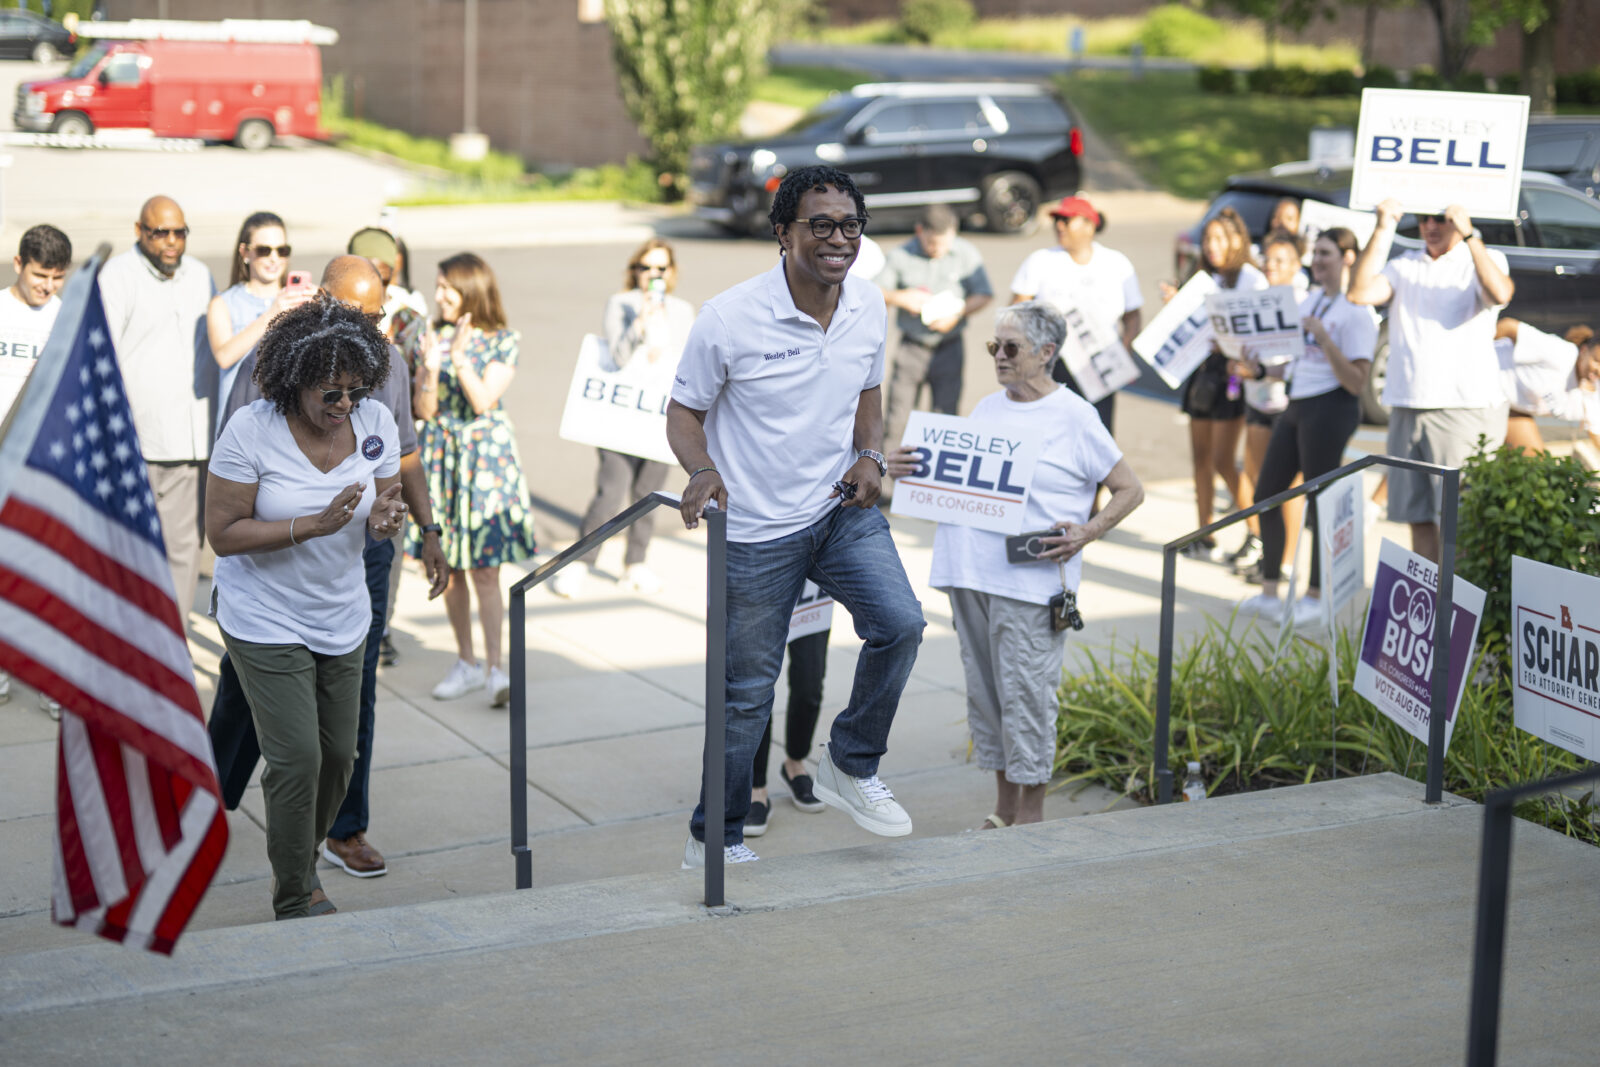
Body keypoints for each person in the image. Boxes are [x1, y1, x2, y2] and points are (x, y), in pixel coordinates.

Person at [667, 164, 926, 867]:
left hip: (837, 510)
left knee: (901, 624)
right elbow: (683, 411)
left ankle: (849, 761)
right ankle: (712, 836)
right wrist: (703, 469)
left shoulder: (868, 304)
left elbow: (868, 388)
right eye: (820, 224)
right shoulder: (728, 317)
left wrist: (869, 453)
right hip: (756, 532)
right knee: (747, 697)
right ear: (783, 233)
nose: (838, 238)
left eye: (850, 225)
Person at [209, 256, 449, 879]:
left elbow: (401, 461)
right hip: (263, 593)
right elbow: (225, 521)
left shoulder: (380, 368)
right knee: (262, 716)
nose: (370, 328)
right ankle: (223, 815)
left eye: (377, 316)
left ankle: (338, 830)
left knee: (343, 725)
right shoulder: (272, 375)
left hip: (351, 572)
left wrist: (417, 527)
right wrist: (307, 524)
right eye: (357, 315)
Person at [889, 301, 1143, 829]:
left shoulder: (1075, 415)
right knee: (988, 697)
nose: (999, 357)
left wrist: (1088, 531)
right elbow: (956, 484)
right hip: (971, 574)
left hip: (1030, 582)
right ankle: (1005, 808)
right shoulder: (987, 409)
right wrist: (905, 469)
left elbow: (1129, 489)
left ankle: (1031, 815)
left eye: (1010, 348)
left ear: (1046, 354)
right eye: (993, 347)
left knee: (1026, 696)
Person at [1347, 200, 1514, 562]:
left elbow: (1500, 293)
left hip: (1461, 408)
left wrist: (1469, 234)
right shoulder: (1404, 265)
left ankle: (1461, 615)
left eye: (1440, 218)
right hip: (1407, 405)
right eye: (1423, 217)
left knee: (1461, 523)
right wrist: (1383, 226)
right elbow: (1358, 292)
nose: (1430, 225)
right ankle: (1429, 610)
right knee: (1417, 518)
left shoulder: (1483, 258)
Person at [409, 252, 539, 706]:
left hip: (484, 462)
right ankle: (465, 662)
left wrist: (459, 359)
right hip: (441, 457)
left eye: (448, 286)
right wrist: (427, 368)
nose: (439, 295)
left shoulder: (503, 340)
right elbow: (423, 411)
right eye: (438, 285)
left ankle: (495, 669)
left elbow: (483, 400)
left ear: (471, 289)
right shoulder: (430, 336)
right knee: (451, 567)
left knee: (486, 569)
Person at [1237, 227, 1378, 625]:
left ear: (1348, 258)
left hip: (1332, 407)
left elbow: (1357, 381)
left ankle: (1315, 596)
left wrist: (1325, 340)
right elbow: (1296, 361)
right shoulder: (1312, 300)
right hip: (1298, 402)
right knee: (1267, 492)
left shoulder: (1357, 312)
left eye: (1327, 254)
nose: (1317, 261)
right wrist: (1261, 369)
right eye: (1315, 253)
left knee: (1320, 502)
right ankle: (1269, 592)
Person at [555, 239, 696, 599]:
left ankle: (636, 563)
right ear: (635, 270)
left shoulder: (682, 311)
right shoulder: (621, 304)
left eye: (660, 269)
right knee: (611, 491)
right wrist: (640, 325)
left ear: (671, 272)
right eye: (646, 267)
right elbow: (616, 355)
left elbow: (684, 361)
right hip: (619, 416)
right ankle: (580, 563)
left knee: (649, 493)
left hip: (657, 416)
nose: (653, 275)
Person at [98, 196, 216, 620]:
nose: (171, 242)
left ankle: (173, 644)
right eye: (160, 232)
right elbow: (103, 358)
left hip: (190, 441)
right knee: (131, 549)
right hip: (138, 442)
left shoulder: (201, 276)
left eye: (179, 232)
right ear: (139, 231)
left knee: (184, 551)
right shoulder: (117, 277)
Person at [0, 223, 71, 716]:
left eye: (58, 278)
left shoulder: (67, 322)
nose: (48, 286)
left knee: (48, 572)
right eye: (41, 275)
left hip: (45, 464)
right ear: (19, 265)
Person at [348, 225, 427, 665]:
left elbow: (406, 451)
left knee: (361, 683)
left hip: (374, 531)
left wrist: (429, 530)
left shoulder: (392, 358)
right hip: (310, 539)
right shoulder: (284, 358)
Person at [1168, 207, 1264, 562]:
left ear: (1238, 240)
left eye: (1219, 238)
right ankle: (1204, 533)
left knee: (1225, 460)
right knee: (1201, 458)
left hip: (1232, 377)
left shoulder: (1252, 280)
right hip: (1201, 373)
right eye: (1207, 239)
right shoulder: (1204, 279)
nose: (1211, 246)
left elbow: (1258, 329)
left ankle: (1257, 533)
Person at [1009, 195, 1142, 434]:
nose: (1059, 226)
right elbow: (1016, 311)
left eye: (1067, 220)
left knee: (1097, 439)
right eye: (1057, 220)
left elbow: (1132, 316)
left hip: (1099, 362)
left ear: (1089, 226)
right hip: (1050, 365)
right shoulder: (1041, 261)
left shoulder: (1116, 264)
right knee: (1050, 438)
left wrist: (1123, 351)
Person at [874, 204, 992, 462]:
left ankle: (938, 488)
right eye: (932, 244)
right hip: (912, 346)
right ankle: (887, 489)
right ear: (920, 232)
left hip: (949, 345)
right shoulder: (901, 255)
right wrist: (899, 297)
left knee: (945, 418)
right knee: (898, 416)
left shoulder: (965, 254)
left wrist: (959, 312)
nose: (938, 250)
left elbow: (984, 294)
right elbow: (875, 291)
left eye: (944, 244)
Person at [1227, 228, 1306, 578]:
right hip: (1257, 400)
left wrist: (1260, 370)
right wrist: (1237, 363)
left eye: (1281, 260)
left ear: (1296, 264)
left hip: (1289, 404)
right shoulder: (1256, 296)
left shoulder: (1304, 302)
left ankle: (1286, 563)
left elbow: (1297, 360)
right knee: (1261, 483)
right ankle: (1268, 557)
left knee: (1291, 489)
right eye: (1268, 259)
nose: (1271, 266)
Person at [206, 212, 314, 434]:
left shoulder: (301, 300)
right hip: (238, 425)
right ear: (245, 252)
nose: (274, 258)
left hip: (288, 425)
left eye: (282, 250)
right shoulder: (223, 302)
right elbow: (224, 357)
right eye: (264, 250)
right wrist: (272, 314)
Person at [746, 625, 830, 836]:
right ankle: (756, 788)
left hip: (810, 597)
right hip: (758, 594)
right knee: (757, 687)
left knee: (809, 684)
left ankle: (795, 764)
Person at [1493, 319, 1600, 453]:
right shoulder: (1561, 353)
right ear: (1584, 351)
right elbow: (1508, 326)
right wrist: (1472, 353)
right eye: (1596, 361)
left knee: (1536, 465)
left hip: (1510, 406)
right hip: (1483, 383)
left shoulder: (1593, 392)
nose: (1598, 370)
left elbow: (1596, 432)